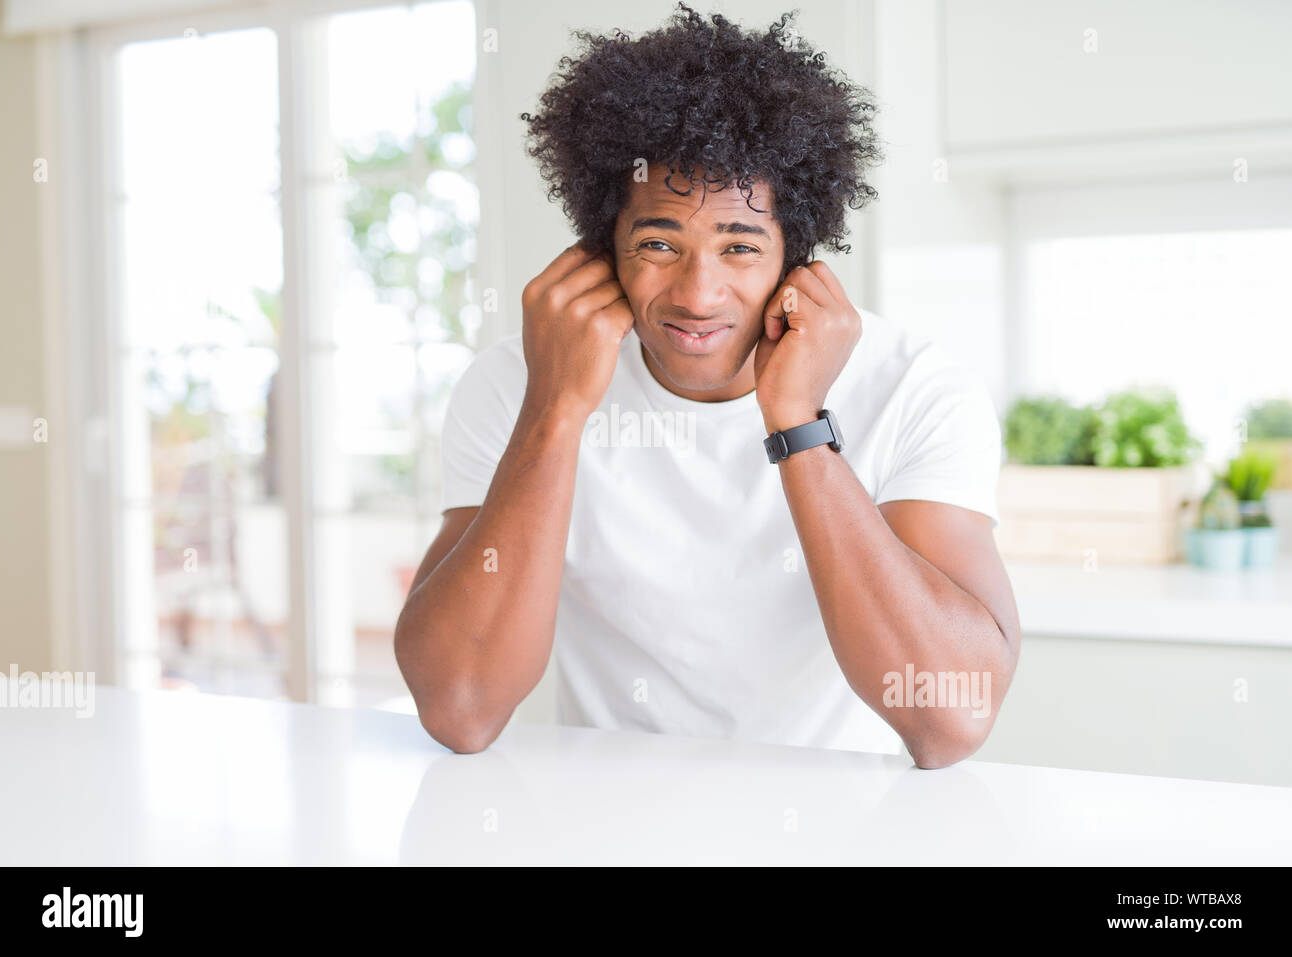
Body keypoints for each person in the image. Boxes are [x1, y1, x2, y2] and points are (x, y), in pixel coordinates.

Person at [394, 3, 1020, 768]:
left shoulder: (916, 388)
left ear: (798, 258)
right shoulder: (515, 384)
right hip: (602, 822)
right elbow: (461, 707)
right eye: (660, 242)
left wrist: (797, 424)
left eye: (740, 245)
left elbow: (950, 719)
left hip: (845, 826)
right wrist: (555, 413)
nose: (698, 292)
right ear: (602, 253)